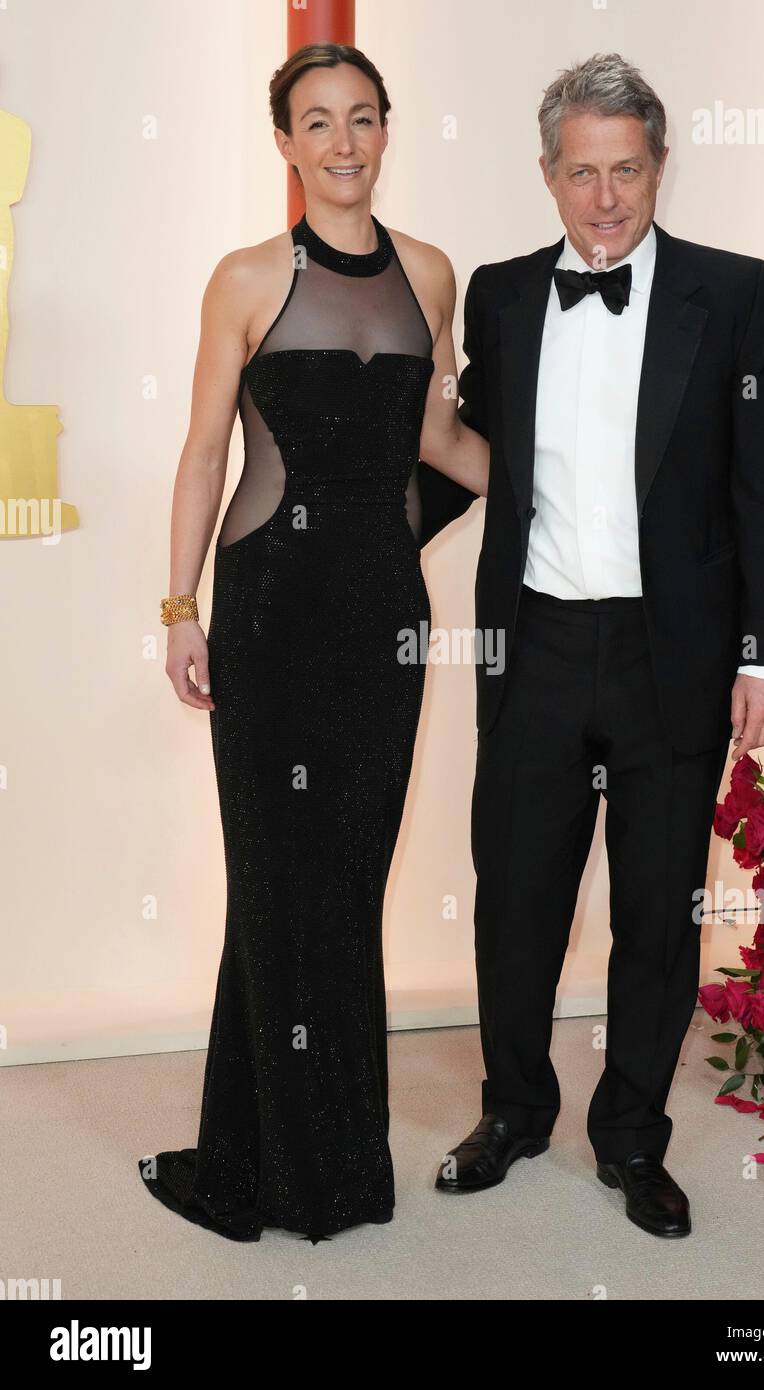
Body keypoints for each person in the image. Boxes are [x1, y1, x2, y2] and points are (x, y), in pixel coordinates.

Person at [420, 51, 764, 1238]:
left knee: (656, 908)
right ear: (547, 174)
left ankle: (632, 1136)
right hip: (533, 642)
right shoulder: (498, 295)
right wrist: (331, 549)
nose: (604, 198)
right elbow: (468, 453)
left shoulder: (734, 292)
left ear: (659, 165)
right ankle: (512, 1111)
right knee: (514, 900)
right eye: (581, 173)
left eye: (625, 170)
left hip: (670, 653)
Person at [139, 42, 487, 1242]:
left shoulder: (430, 273)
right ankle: (270, 1164)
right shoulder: (244, 277)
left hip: (383, 616)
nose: (344, 142)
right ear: (284, 143)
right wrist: (179, 609)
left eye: (362, 117)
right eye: (318, 122)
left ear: (387, 129)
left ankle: (328, 1157)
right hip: (270, 609)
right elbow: (203, 453)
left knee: (345, 882)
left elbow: (434, 439)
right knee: (275, 878)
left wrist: (564, 486)